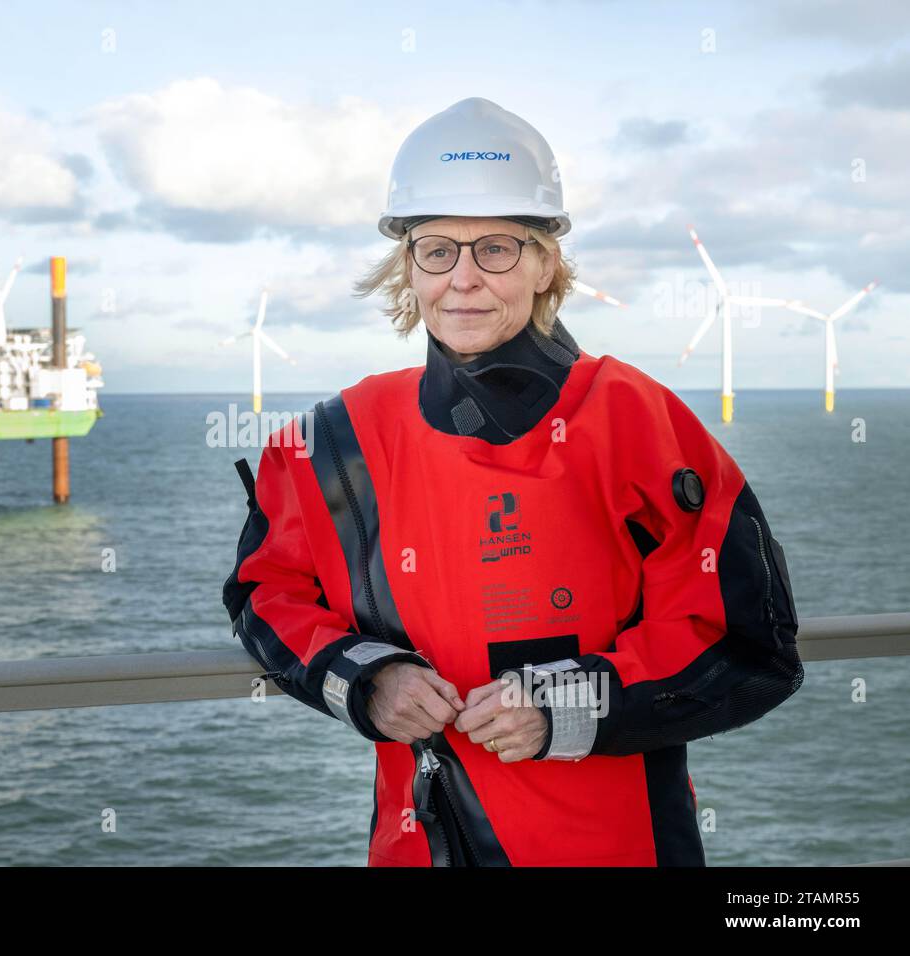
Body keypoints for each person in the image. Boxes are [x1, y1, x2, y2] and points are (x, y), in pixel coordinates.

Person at [221, 97, 805, 867]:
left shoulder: (633, 418)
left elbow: (748, 644)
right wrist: (366, 679)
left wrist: (566, 707)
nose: (463, 279)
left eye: (495, 248)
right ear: (409, 264)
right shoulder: (334, 440)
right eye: (436, 250)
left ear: (544, 263)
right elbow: (267, 594)